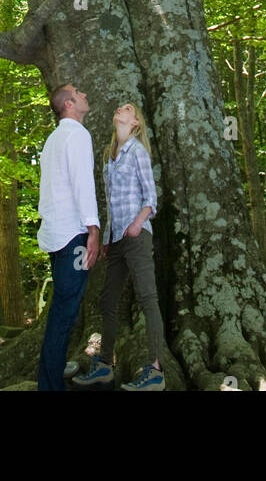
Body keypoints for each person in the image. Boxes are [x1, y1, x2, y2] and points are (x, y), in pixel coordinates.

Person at [73, 101, 166, 391]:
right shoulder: (109, 156)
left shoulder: (138, 152)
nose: (119, 110)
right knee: (107, 300)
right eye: (119, 108)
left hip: (137, 236)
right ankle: (104, 366)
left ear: (135, 122)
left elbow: (151, 198)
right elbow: (109, 204)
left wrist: (137, 224)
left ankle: (156, 371)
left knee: (148, 298)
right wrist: (109, 236)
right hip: (115, 241)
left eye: (127, 109)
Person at [36, 82, 100, 391]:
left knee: (62, 310)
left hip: (56, 234)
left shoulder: (54, 138)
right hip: (72, 235)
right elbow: (82, 184)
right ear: (69, 105)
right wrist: (93, 229)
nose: (85, 94)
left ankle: (53, 371)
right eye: (79, 93)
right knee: (64, 313)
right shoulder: (76, 134)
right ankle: (49, 384)